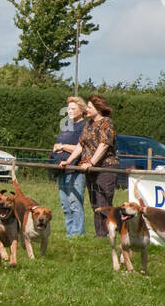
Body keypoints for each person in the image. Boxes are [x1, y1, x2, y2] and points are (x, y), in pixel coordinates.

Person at [75, 94, 119, 237]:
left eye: (89, 107)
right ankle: (99, 234)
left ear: (98, 109)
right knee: (94, 202)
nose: (86, 109)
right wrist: (68, 161)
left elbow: (104, 145)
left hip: (105, 167)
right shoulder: (88, 124)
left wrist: (91, 162)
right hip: (90, 169)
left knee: (103, 201)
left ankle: (107, 233)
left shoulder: (106, 122)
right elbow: (81, 145)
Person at [51, 96, 87, 237]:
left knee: (74, 203)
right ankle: (69, 234)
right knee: (65, 205)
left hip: (75, 170)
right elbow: (60, 143)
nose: (70, 111)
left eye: (73, 108)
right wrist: (57, 147)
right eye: (68, 109)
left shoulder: (85, 126)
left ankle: (78, 235)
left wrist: (64, 146)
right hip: (62, 170)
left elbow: (83, 148)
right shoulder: (67, 125)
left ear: (82, 110)